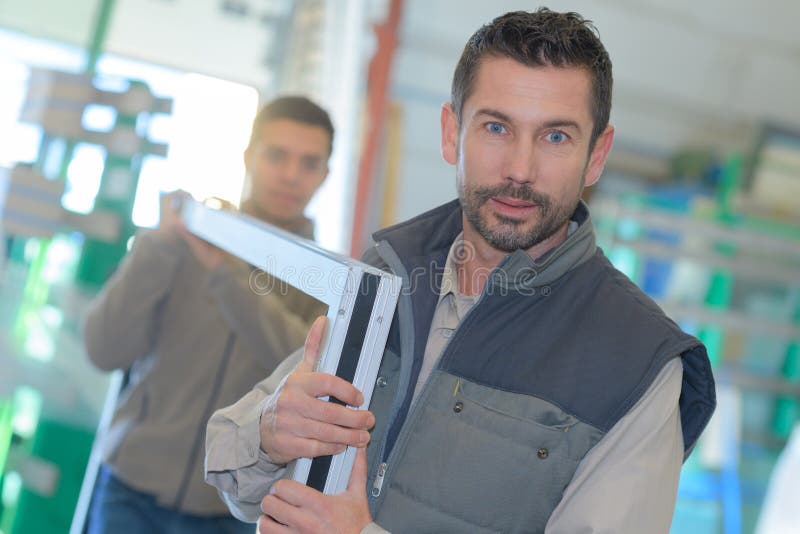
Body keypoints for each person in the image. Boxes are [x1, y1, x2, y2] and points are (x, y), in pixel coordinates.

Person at [205, 9, 717, 533]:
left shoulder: (638, 364)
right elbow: (235, 473)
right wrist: (270, 434)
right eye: (496, 127)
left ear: (596, 155)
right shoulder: (387, 276)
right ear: (452, 133)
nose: (520, 169)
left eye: (555, 137)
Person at [83, 96, 334, 533]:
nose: (291, 175)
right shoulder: (180, 242)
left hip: (233, 512)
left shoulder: (326, 280)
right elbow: (103, 349)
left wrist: (225, 273)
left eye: (309, 163)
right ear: (248, 157)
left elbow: (297, 362)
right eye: (277, 155)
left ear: (325, 175)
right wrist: (158, 246)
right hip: (130, 491)